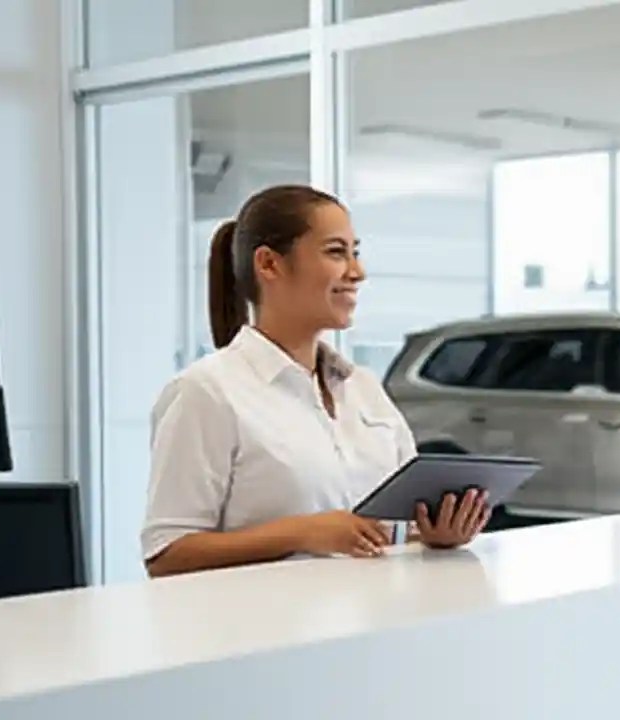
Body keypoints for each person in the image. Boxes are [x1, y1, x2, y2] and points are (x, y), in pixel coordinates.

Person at [141, 185, 491, 578]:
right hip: (267, 632)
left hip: (374, 624)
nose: (357, 272)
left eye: (355, 253)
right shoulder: (206, 391)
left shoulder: (364, 389)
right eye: (336, 252)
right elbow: (166, 556)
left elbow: (392, 533)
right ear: (269, 265)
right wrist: (300, 533)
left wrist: (433, 535)